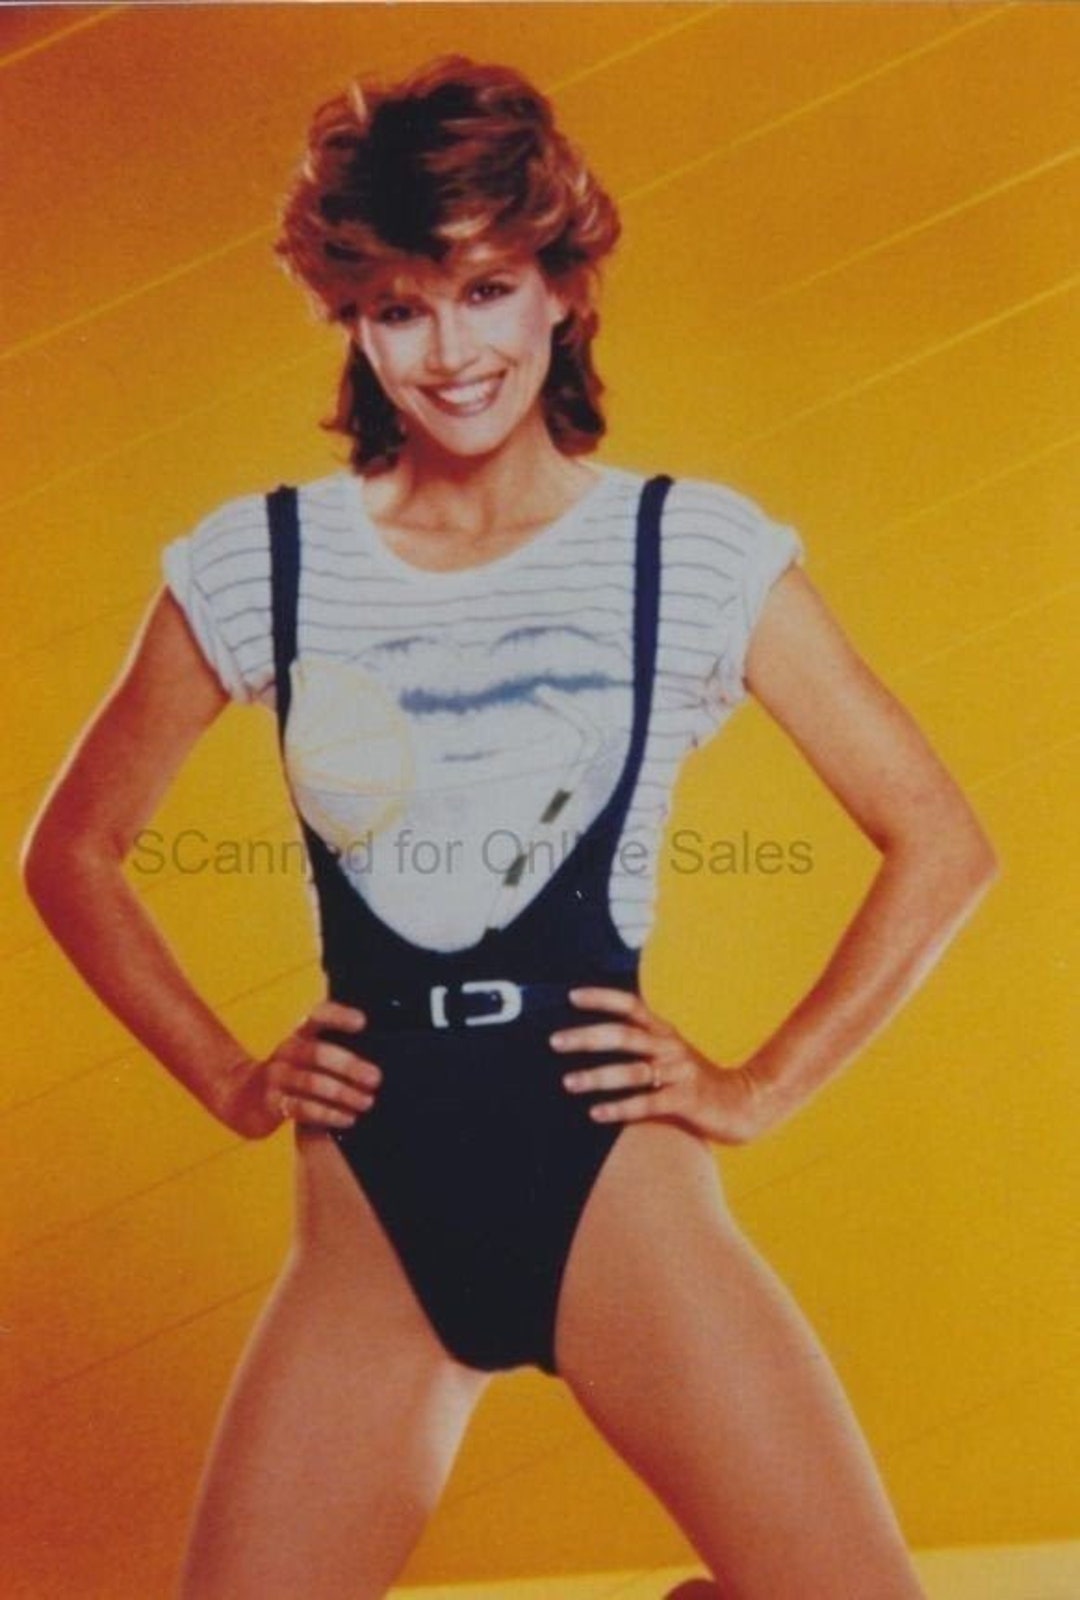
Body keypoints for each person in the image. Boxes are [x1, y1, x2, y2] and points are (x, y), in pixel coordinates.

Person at [22, 54, 997, 1600]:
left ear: (560, 285)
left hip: (612, 1191)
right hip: (372, 1224)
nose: (452, 350)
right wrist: (225, 1075)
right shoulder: (264, 561)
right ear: (351, 321)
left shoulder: (686, 549)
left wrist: (757, 1086)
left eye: (485, 289)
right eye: (399, 308)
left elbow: (942, 839)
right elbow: (69, 854)